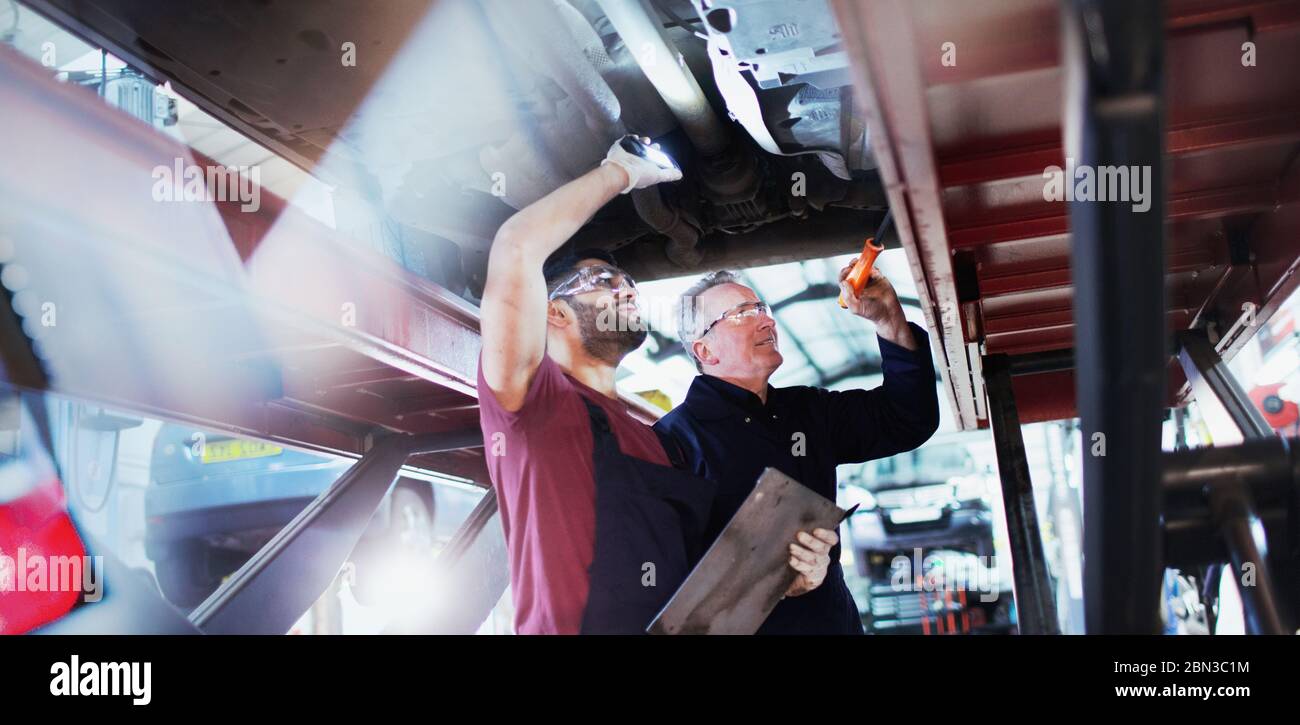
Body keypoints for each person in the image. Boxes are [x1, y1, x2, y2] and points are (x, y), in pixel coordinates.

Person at [476, 136, 835, 634]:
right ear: (553, 311)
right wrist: (620, 170)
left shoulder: (658, 440)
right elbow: (516, 247)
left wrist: (792, 577)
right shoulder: (532, 403)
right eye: (602, 280)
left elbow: (700, 589)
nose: (624, 287)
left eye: (627, 282)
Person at [655, 264, 941, 634]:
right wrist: (772, 583)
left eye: (762, 309)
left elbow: (907, 418)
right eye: (742, 315)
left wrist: (889, 321)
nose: (765, 321)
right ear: (705, 350)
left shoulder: (807, 411)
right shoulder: (673, 443)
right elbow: (669, 585)